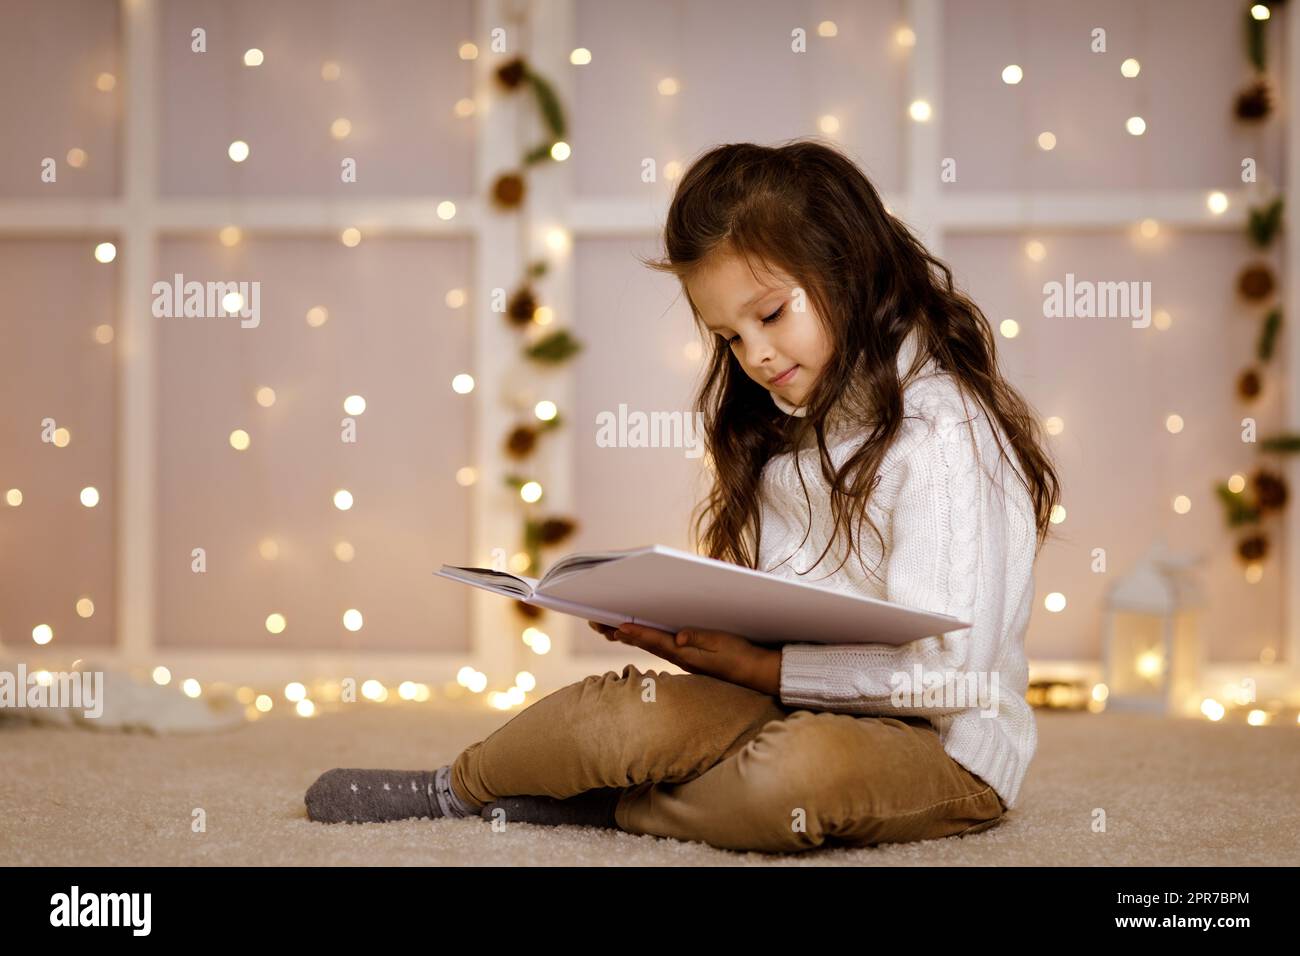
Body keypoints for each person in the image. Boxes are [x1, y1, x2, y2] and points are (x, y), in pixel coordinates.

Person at [305, 139, 1062, 853]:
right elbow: (795, 609)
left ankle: (608, 810)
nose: (756, 355)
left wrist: (764, 671)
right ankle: (457, 789)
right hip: (797, 702)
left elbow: (945, 674)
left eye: (769, 315)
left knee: (790, 776)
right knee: (615, 718)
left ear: (855, 271)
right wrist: (690, 628)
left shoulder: (943, 437)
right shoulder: (788, 426)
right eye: (729, 337)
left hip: (943, 744)